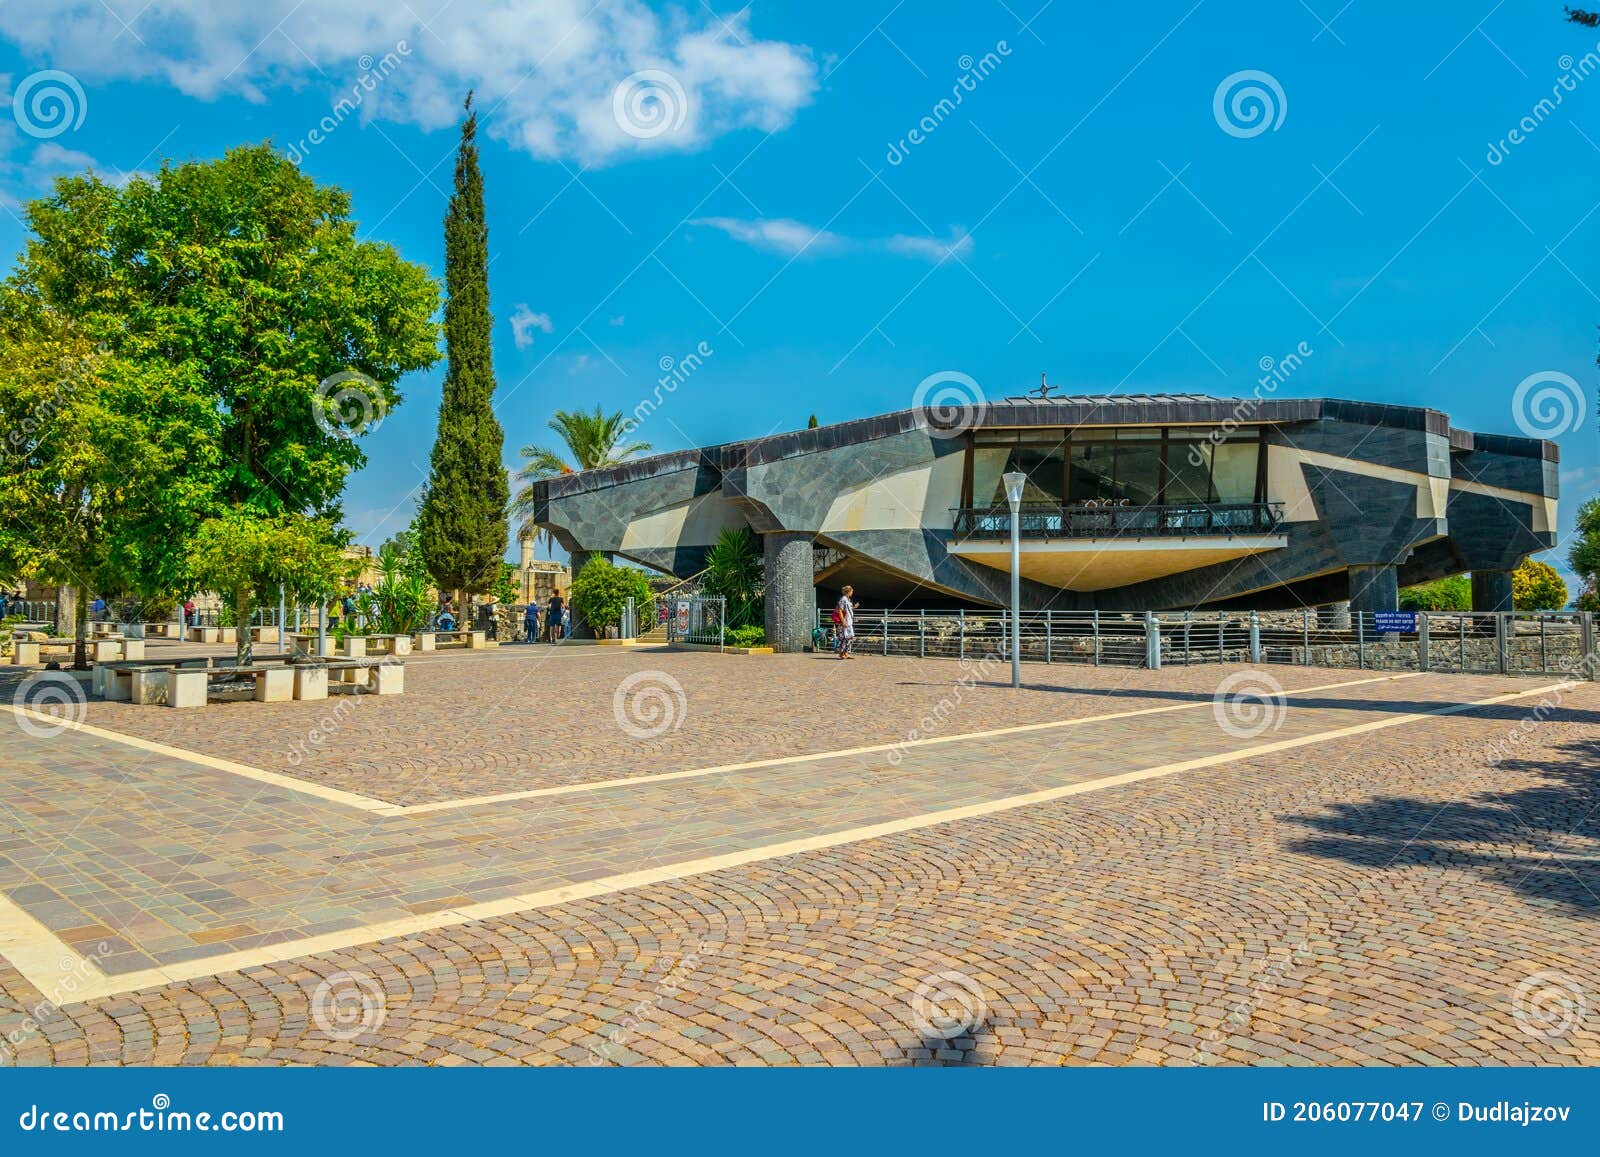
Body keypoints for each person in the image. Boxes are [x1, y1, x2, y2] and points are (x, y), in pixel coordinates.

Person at [835, 585, 858, 659]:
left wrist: (854, 607)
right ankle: (842, 653)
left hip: (849, 621)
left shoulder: (848, 599)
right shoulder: (843, 599)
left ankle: (845, 652)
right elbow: (840, 610)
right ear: (848, 591)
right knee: (844, 637)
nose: (852, 593)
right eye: (852, 591)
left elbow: (847, 609)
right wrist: (843, 621)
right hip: (845, 621)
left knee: (849, 637)